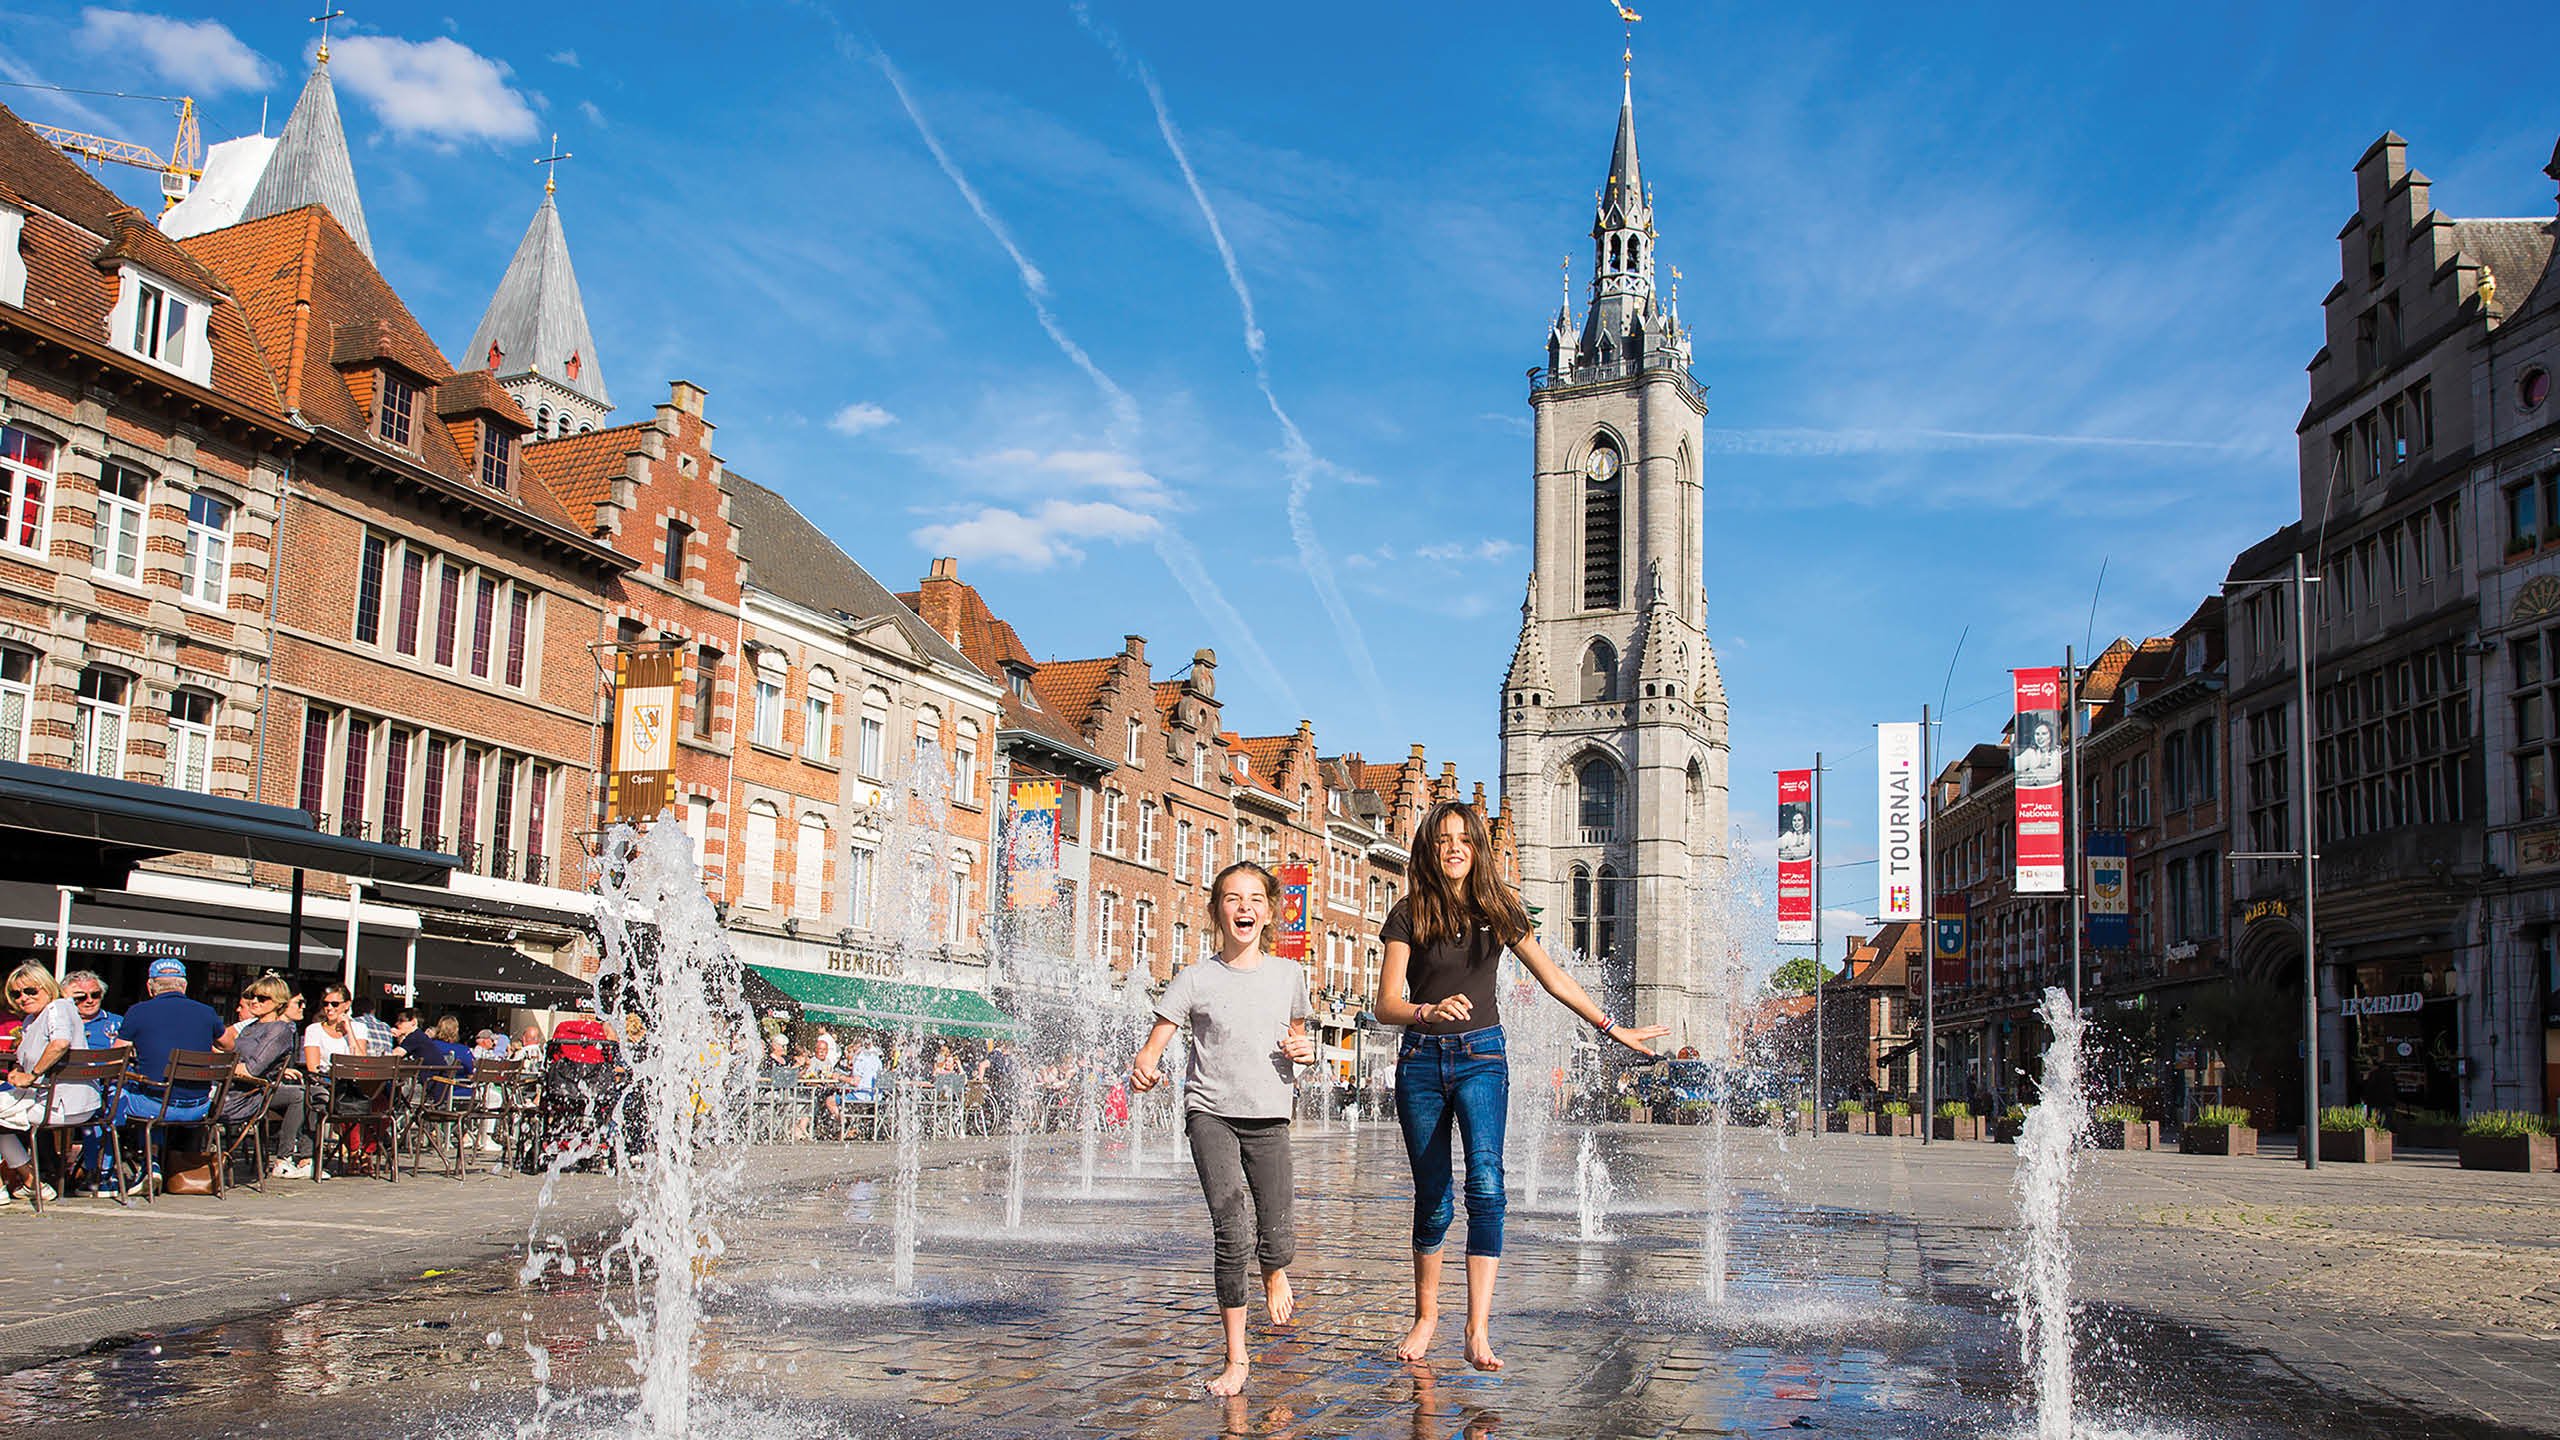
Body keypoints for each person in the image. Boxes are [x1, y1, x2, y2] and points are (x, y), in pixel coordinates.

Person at [1375, 801, 1664, 1373]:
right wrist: (1427, 1011)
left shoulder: (1499, 907)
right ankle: (1426, 1315)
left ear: (1478, 848)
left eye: (1465, 839)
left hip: (1483, 1056)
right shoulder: (1409, 912)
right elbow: (1386, 1005)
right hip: (1422, 1062)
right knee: (1434, 1199)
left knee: (1487, 1185)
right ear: (1429, 849)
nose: (1454, 847)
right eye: (1443, 839)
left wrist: (1613, 1028)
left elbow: (1552, 976)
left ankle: (1477, 1327)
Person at [1129, 860, 1315, 1397]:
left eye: (1255, 899)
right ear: (1216, 910)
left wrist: (1305, 1053)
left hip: (1269, 1117)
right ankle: (1237, 1358)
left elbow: (1301, 1045)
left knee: (1277, 1235)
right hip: (1209, 1114)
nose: (1244, 908)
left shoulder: (1288, 976)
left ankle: (1275, 1268)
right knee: (1232, 1232)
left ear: (1269, 911)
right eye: (1233, 898)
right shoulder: (1195, 979)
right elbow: (1154, 1046)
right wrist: (1145, 1069)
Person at [114, 958, 227, 1177]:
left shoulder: (138, 1012)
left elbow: (116, 1057)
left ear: (150, 986)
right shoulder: (207, 1012)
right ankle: (157, 1164)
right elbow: (228, 1044)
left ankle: (109, 1170)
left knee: (117, 1093)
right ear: (184, 986)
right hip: (200, 1108)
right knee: (156, 1090)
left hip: (156, 1106)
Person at [0, 964, 100, 1204]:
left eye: (30, 991)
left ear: (46, 986)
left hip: (65, 1103)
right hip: (52, 1098)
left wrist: (31, 1075)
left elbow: (60, 1043)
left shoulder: (58, 1007)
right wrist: (19, 1072)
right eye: (17, 994)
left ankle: (28, 1182)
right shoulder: (32, 1020)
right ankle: (33, 1182)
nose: (24, 998)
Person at [219, 973, 313, 1179]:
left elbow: (253, 1069)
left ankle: (284, 1157)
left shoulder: (279, 1029)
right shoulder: (251, 1027)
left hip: (248, 1093)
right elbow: (234, 1056)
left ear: (278, 1002)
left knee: (299, 1094)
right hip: (233, 1089)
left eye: (262, 998)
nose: (254, 1001)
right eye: (252, 997)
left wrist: (219, 1065)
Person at [64, 970, 122, 1051]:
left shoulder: (118, 1022)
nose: (90, 1000)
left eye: (95, 995)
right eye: (81, 997)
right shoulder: (59, 1022)